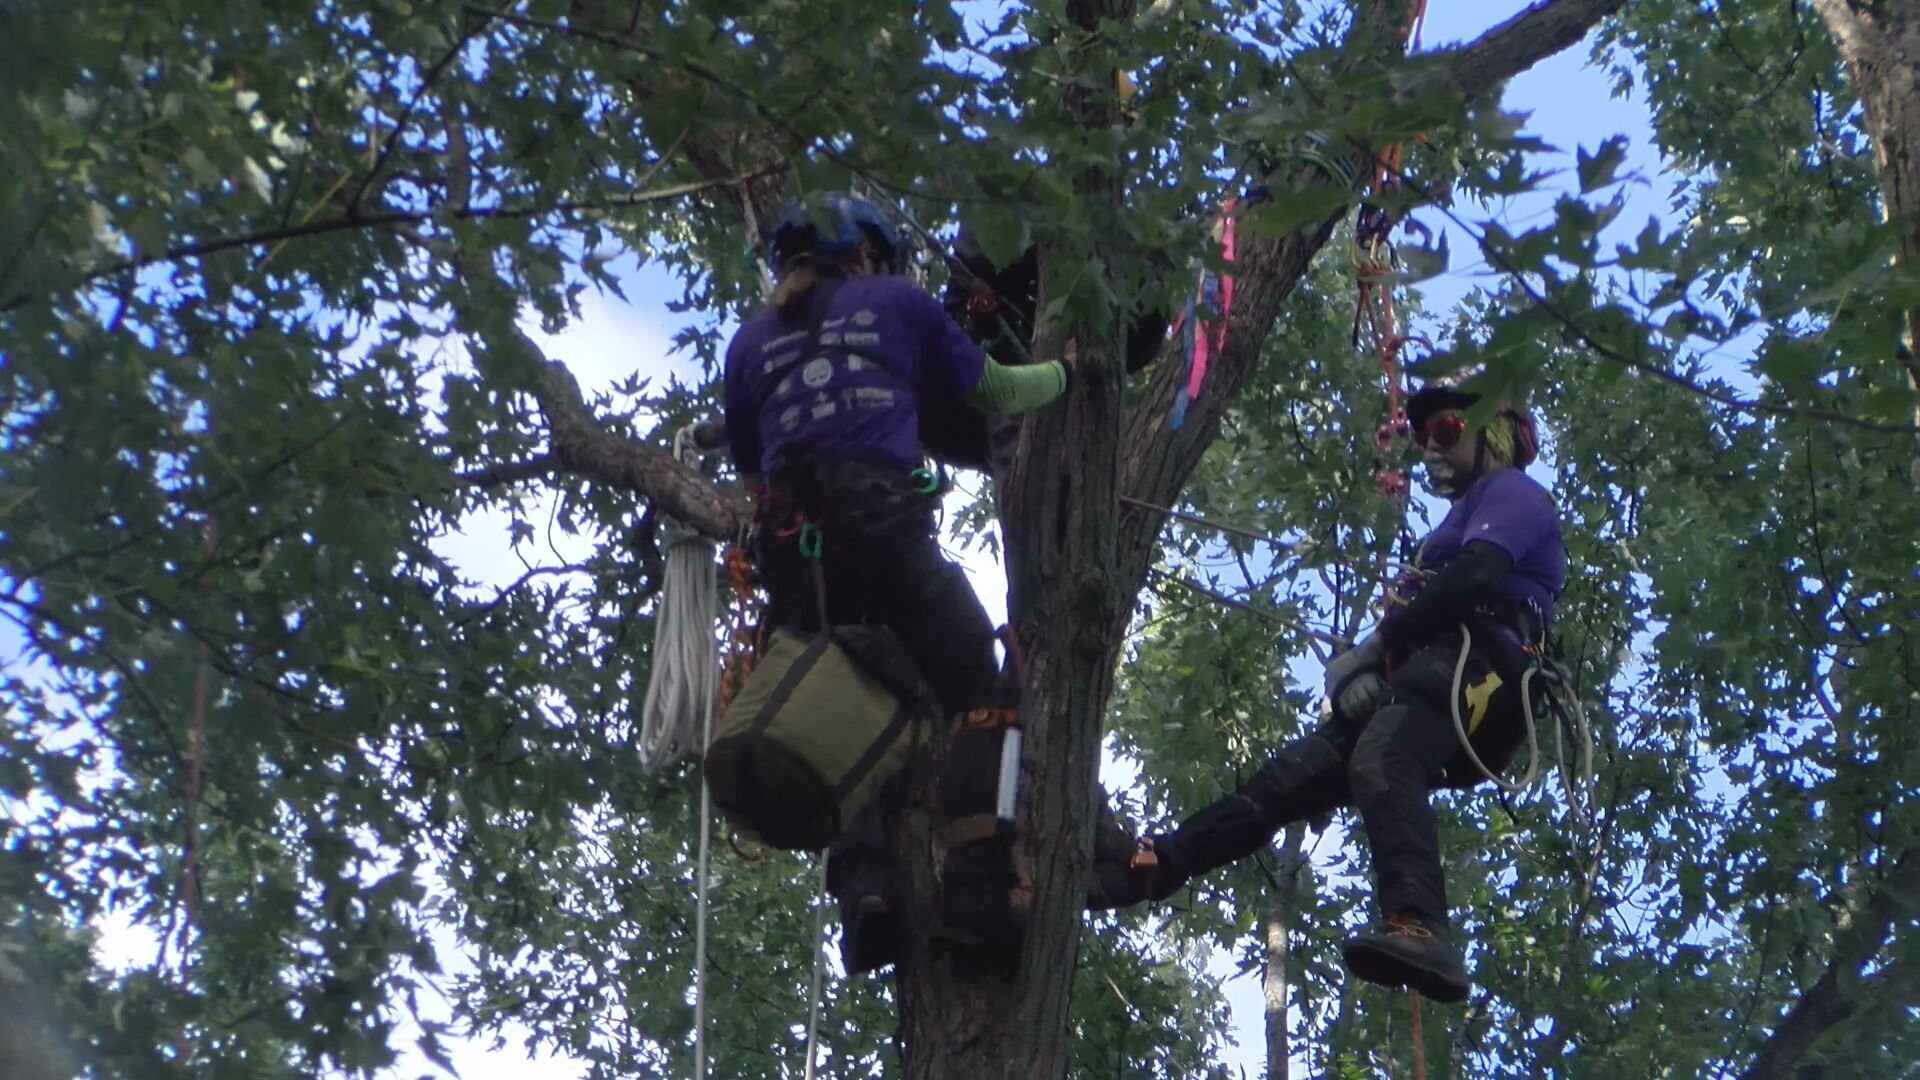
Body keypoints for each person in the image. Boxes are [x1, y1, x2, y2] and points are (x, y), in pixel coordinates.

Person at [1089, 380, 1568, 1005]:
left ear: (1494, 433)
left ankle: (1421, 927)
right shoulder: (1448, 529)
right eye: (1425, 441)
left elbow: (1475, 577)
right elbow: (1423, 612)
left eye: (1447, 433)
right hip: (1426, 674)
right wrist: (1369, 672)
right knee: (1283, 784)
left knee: (1384, 759)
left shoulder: (1514, 492)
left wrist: (1370, 652)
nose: (1432, 450)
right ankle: (1152, 868)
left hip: (1483, 665)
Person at [722, 191, 1072, 974]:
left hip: (793, 552)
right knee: (984, 687)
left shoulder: (748, 343)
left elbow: (749, 463)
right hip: (882, 528)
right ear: (869, 253)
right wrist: (1065, 375)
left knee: (845, 703)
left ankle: (864, 895)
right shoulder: (897, 302)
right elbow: (997, 392)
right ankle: (979, 894)